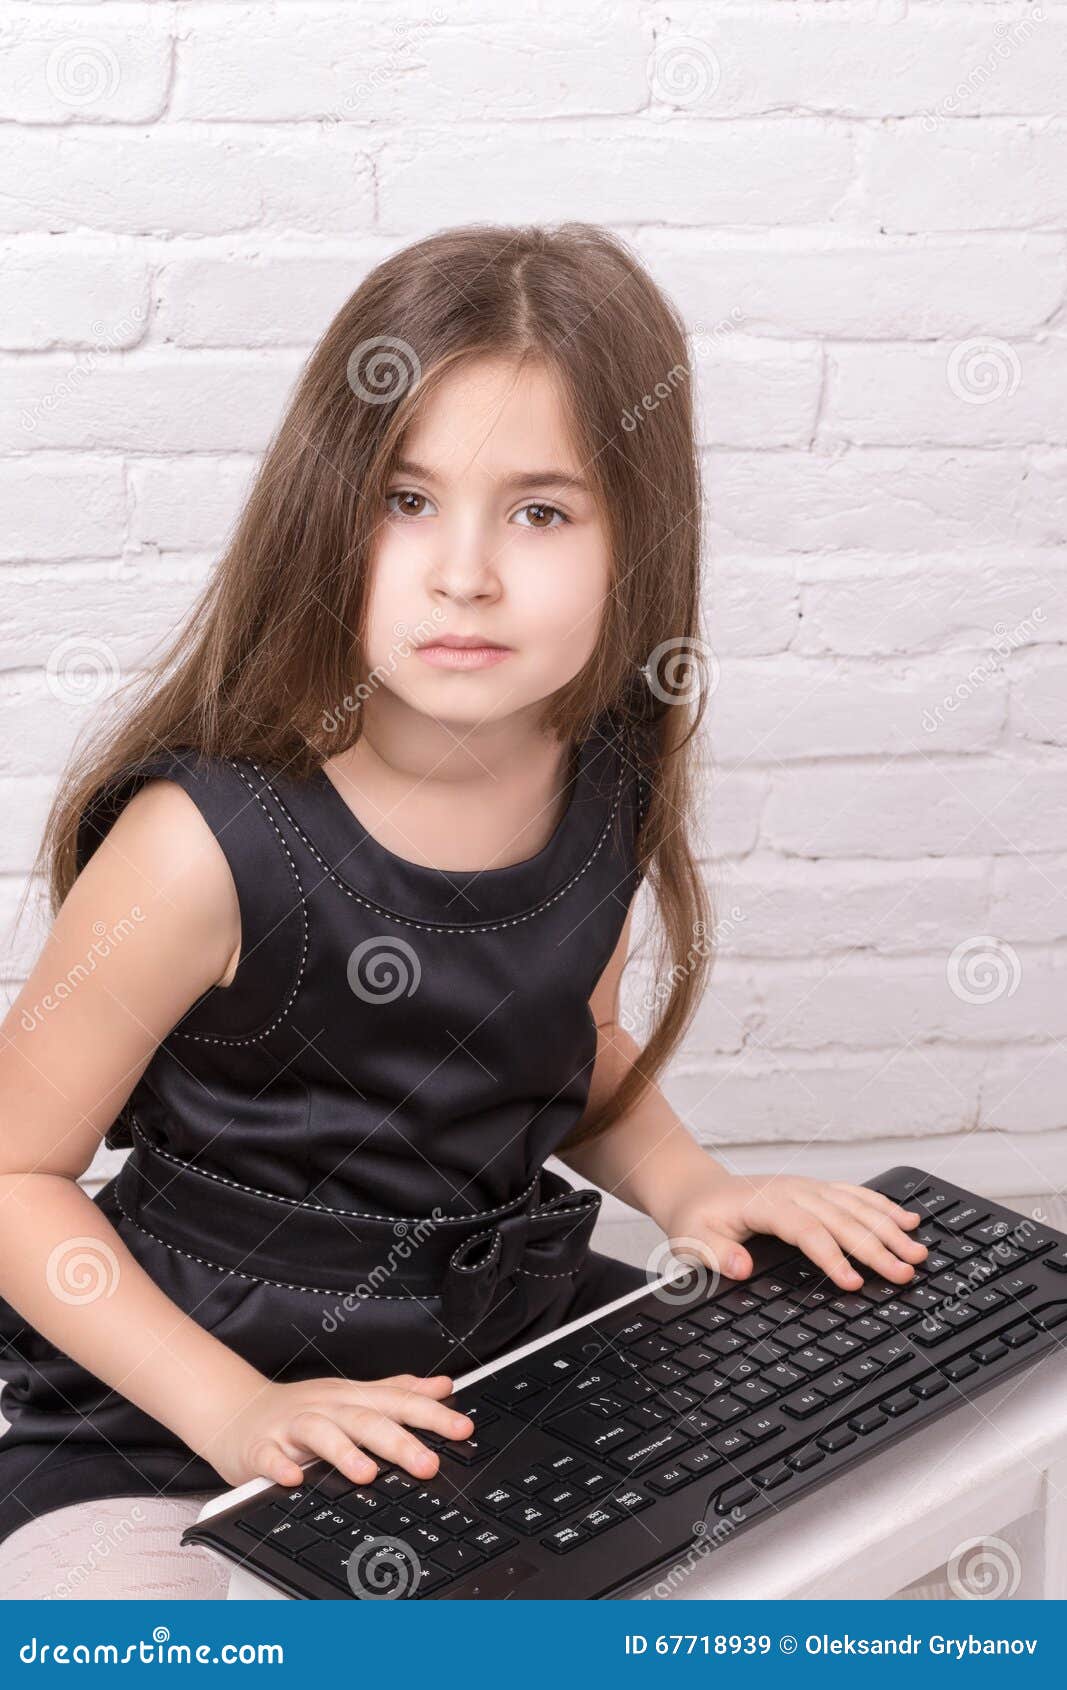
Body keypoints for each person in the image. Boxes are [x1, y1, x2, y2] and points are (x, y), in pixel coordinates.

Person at [0, 222, 925, 1580]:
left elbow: (572, 1049)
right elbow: (16, 1173)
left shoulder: (600, 775)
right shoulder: (199, 844)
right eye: (407, 499)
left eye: (541, 510)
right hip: (160, 1415)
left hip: (481, 1370)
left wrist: (692, 1186)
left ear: (635, 535)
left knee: (814, 1515)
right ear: (327, 508)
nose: (465, 572)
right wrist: (239, 1410)